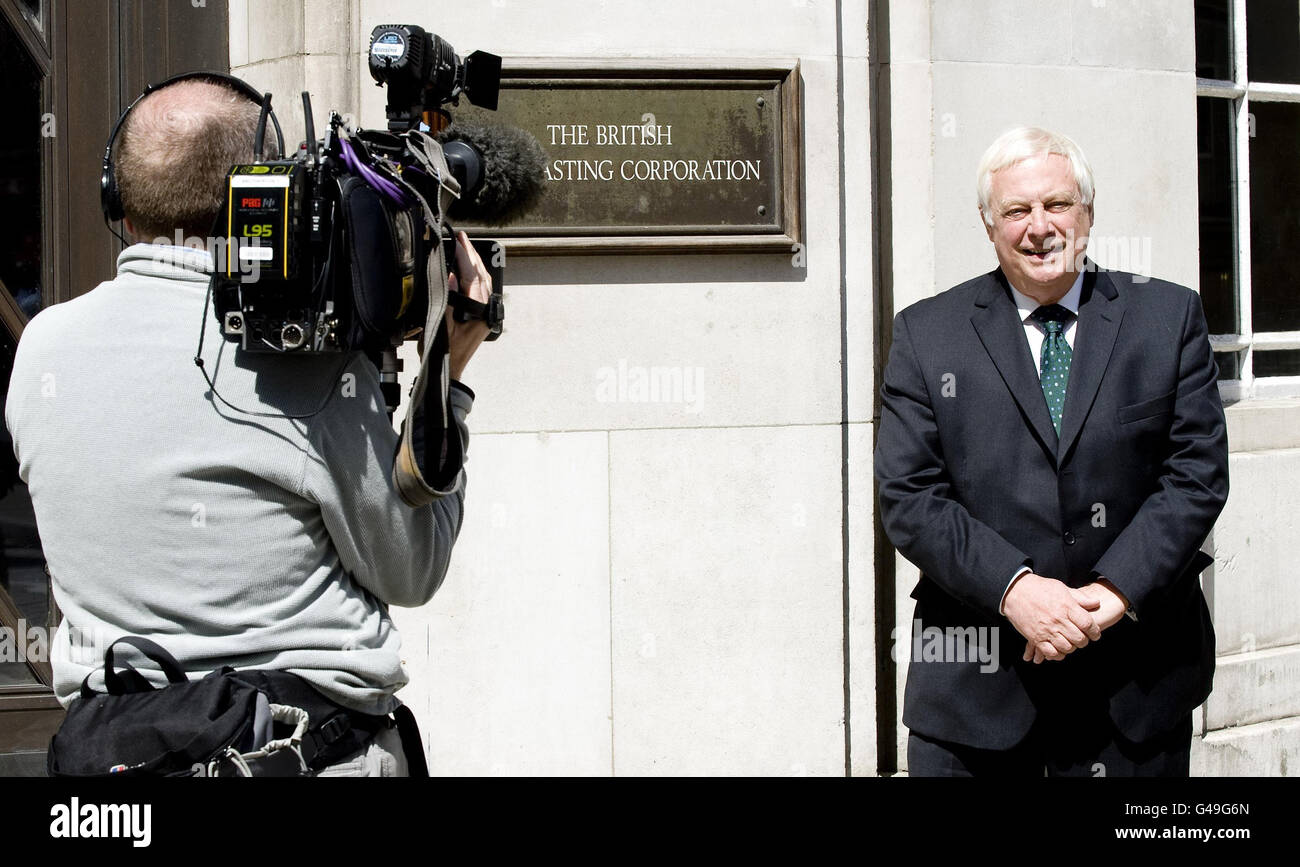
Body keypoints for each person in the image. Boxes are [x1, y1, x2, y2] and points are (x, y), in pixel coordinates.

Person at [3, 75, 493, 776]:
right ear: (265, 195)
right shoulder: (304, 362)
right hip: (301, 751)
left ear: (120, 197)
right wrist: (452, 376)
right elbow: (411, 566)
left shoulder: (42, 347)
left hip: (116, 765)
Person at [875, 126, 1229, 777]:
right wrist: (1015, 589)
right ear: (989, 226)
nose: (1040, 227)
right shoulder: (929, 336)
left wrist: (1114, 591)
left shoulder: (1168, 318)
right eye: (1016, 210)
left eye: (1057, 204)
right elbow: (910, 496)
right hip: (975, 701)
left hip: (1135, 691)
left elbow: (1195, 476)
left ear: (1087, 213)